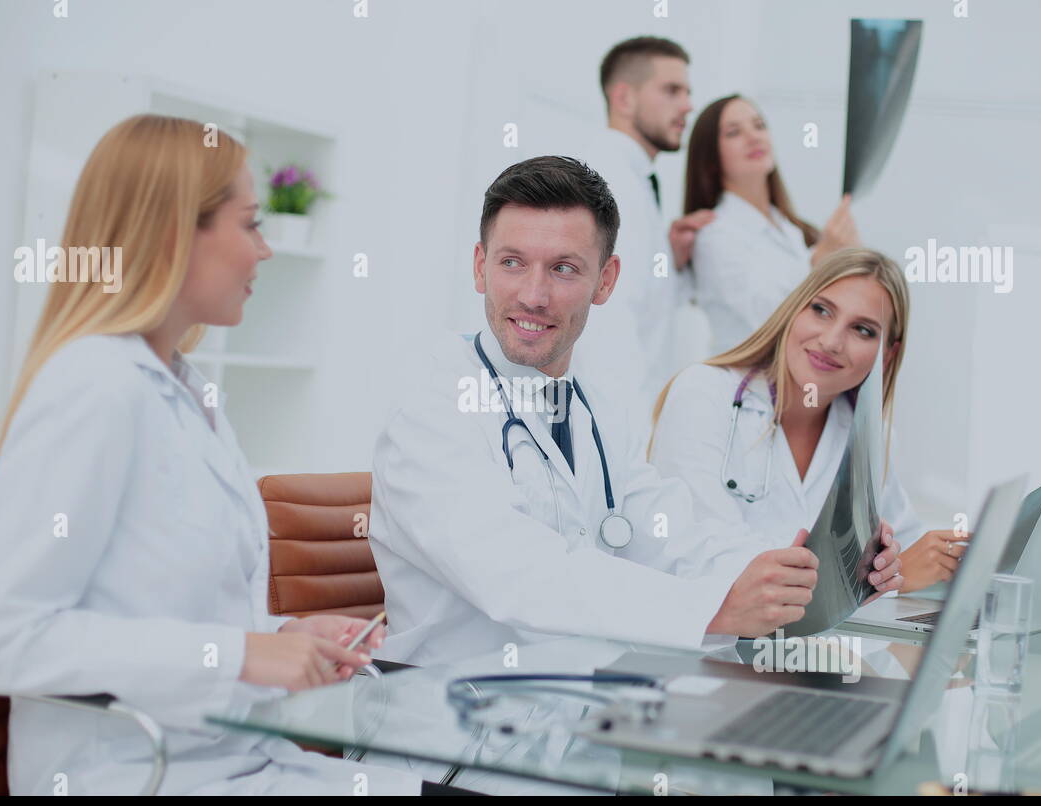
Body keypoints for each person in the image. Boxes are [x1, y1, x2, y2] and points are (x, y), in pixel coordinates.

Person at [0, 114, 420, 796]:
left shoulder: (184, 390)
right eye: (251, 223)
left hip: (234, 758)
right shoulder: (92, 389)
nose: (265, 250)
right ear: (175, 231)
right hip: (131, 774)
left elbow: (165, 616)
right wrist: (246, 652)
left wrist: (286, 633)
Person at [369, 156, 904, 668]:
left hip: (575, 722)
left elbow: (672, 534)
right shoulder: (431, 408)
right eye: (512, 263)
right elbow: (519, 574)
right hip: (446, 736)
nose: (534, 295)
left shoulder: (597, 405)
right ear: (480, 267)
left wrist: (801, 575)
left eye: (564, 269)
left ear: (606, 281)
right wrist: (716, 608)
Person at [649, 248, 966, 594]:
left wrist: (945, 558)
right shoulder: (704, 394)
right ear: (794, 310)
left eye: (862, 330)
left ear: (886, 355)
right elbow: (708, 558)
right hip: (718, 645)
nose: (831, 342)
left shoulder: (869, 438)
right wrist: (876, 580)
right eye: (821, 310)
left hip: (831, 647)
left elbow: (904, 543)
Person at [572, 36, 704, 416]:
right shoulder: (607, 181)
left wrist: (671, 265)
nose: (688, 105)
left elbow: (644, 298)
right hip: (620, 414)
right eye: (672, 91)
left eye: (688, 92)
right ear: (624, 98)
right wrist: (635, 436)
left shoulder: (637, 180)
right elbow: (609, 316)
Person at [678, 94, 861, 353]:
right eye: (734, 133)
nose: (754, 137)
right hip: (748, 387)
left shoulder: (791, 229)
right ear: (710, 159)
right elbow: (770, 321)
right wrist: (820, 259)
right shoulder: (714, 236)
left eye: (759, 125)